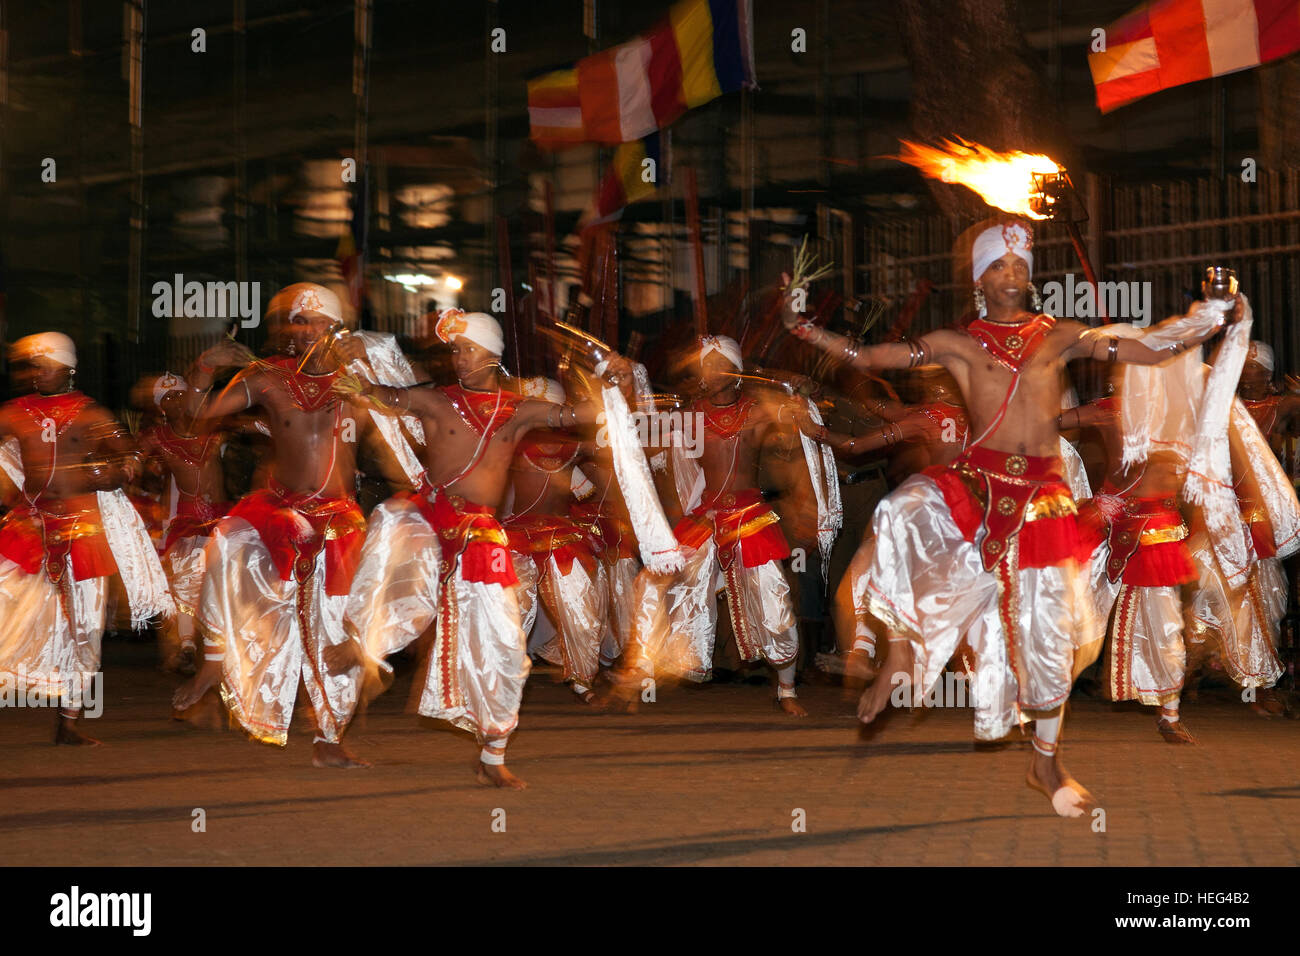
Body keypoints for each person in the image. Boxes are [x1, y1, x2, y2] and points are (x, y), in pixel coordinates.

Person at [784, 220, 1236, 816]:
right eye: (999, 264)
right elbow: (870, 355)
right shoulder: (958, 343)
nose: (1013, 273)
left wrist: (1210, 314)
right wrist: (804, 327)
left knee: (1048, 636)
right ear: (980, 279)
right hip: (979, 481)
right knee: (898, 512)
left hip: (1043, 499)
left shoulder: (1062, 336)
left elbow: (1150, 347)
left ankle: (1046, 763)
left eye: (1020, 264)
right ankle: (898, 650)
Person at [340, 310, 669, 788]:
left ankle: (492, 754)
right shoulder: (435, 401)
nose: (458, 359)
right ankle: (362, 640)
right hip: (429, 518)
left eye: (467, 350)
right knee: (394, 559)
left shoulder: (517, 410)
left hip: (481, 534)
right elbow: (390, 397)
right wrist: (359, 379)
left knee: (506, 645)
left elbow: (582, 415)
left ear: (492, 354)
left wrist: (617, 385)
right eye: (454, 350)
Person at [171, 283, 389, 769]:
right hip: (277, 508)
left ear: (335, 328)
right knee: (225, 544)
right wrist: (205, 368)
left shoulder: (358, 376)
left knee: (336, 628)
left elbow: (411, 411)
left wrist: (372, 363)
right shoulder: (266, 378)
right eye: (295, 321)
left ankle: (329, 735)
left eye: (313, 321)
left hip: (337, 515)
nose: (302, 330)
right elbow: (195, 415)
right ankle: (211, 661)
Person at [621, 336, 849, 715]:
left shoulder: (759, 411)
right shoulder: (691, 414)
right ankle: (643, 667)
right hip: (707, 516)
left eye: (713, 366)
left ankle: (787, 689)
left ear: (732, 371)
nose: (705, 375)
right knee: (655, 578)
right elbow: (644, 431)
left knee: (775, 601)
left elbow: (808, 390)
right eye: (702, 368)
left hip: (751, 517)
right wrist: (628, 393)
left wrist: (778, 381)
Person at [0, 333, 173, 744]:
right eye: (33, 365)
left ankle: (69, 721)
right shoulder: (14, 412)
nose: (37, 372)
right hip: (31, 523)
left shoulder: (90, 413)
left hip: (82, 527)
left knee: (84, 626)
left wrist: (119, 469)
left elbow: (128, 453)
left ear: (68, 368)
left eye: (46, 364)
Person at [139, 372, 230, 675]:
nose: (176, 401)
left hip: (223, 512)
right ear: (161, 407)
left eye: (179, 394)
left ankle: (229, 642)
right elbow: (134, 459)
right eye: (167, 398)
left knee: (230, 573)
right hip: (188, 517)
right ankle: (188, 644)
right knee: (188, 570)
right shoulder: (157, 437)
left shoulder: (214, 425)